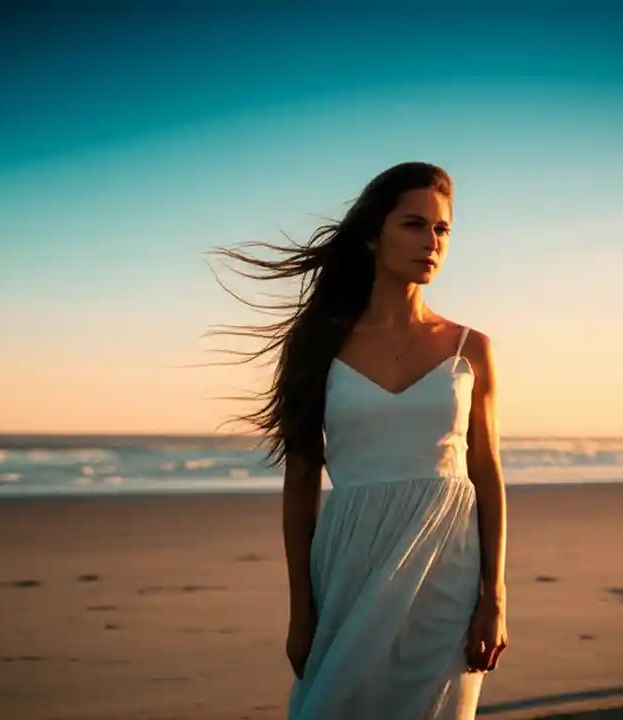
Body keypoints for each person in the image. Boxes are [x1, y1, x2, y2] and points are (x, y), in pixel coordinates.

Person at [212, 162, 508, 718]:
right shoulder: (317, 345)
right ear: (374, 235)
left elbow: (486, 472)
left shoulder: (473, 348)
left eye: (442, 230)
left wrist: (495, 596)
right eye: (414, 225)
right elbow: (301, 481)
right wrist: (301, 610)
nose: (432, 242)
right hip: (349, 561)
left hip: (447, 565)